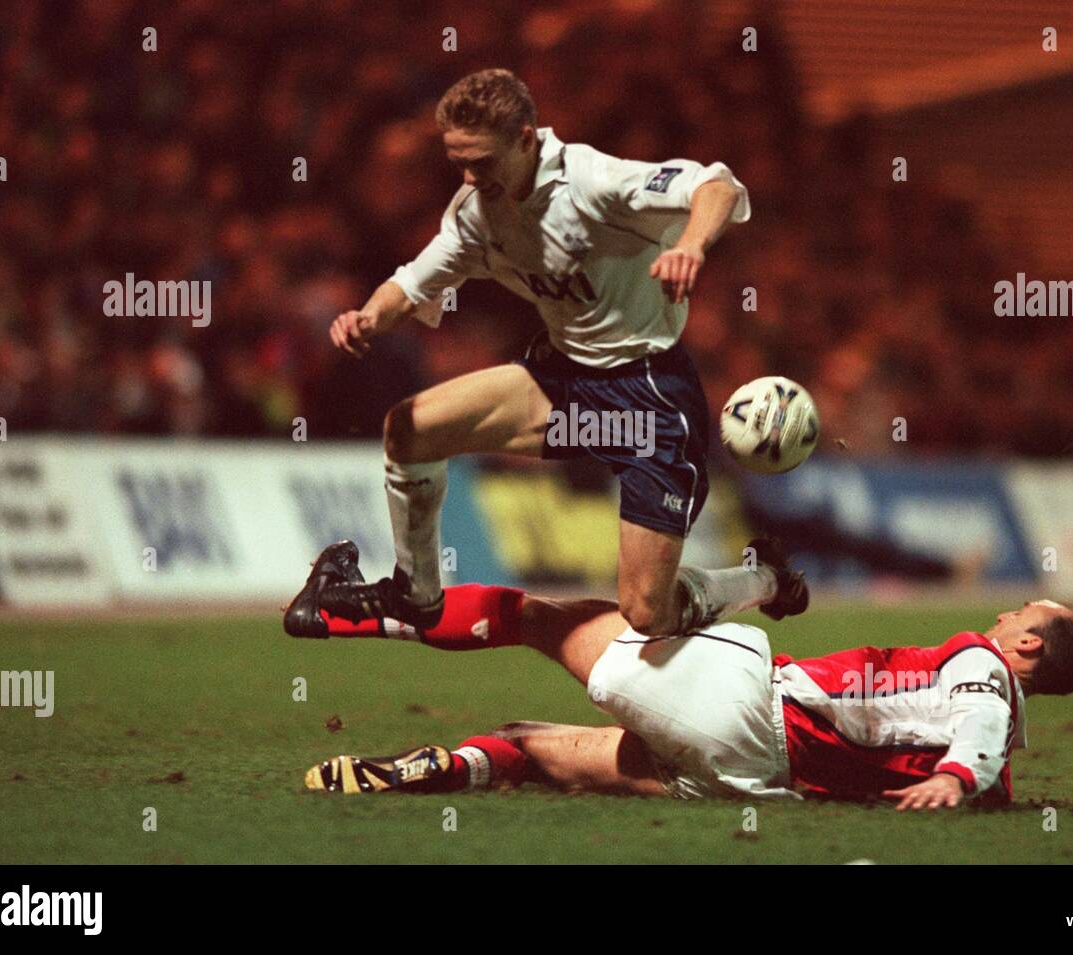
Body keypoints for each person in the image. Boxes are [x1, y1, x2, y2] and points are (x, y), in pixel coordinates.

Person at [318, 68, 795, 637]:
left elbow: (715, 186)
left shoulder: (592, 181)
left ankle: (764, 577)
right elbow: (414, 281)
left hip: (649, 396)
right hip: (563, 379)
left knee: (648, 613)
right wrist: (370, 315)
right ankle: (416, 594)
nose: (470, 176)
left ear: (525, 138)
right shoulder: (476, 209)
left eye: (483, 161)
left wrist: (690, 244)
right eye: (459, 163)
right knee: (410, 429)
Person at [285, 542, 1073, 809]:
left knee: (541, 616)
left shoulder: (981, 670)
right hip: (750, 778)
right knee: (529, 748)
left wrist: (957, 776)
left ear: (1028, 650)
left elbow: (980, 727)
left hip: (752, 704)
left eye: (1023, 616)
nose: (1005, 617)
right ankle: (420, 771)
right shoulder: (998, 776)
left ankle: (341, 610)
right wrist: (968, 784)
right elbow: (983, 752)